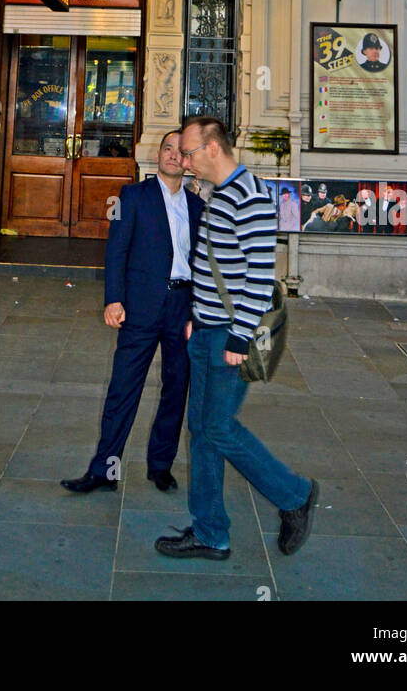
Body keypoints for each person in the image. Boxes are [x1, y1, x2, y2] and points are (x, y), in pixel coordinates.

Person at [155, 117, 317, 561]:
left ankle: (295, 495)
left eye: (188, 152)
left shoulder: (250, 197)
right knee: (201, 431)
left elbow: (258, 278)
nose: (183, 161)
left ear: (212, 148)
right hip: (205, 331)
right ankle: (210, 532)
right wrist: (197, 316)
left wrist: (239, 340)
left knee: (219, 428)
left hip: (229, 338)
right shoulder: (219, 192)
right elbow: (216, 268)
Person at [61, 128, 204, 495]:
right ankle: (104, 471)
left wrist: (199, 311)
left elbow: (203, 262)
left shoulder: (197, 206)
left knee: (176, 389)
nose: (173, 155)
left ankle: (160, 466)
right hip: (140, 306)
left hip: (182, 307)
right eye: (167, 148)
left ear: (189, 161)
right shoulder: (132, 196)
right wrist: (114, 299)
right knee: (124, 388)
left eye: (181, 151)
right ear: (158, 155)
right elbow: (116, 251)